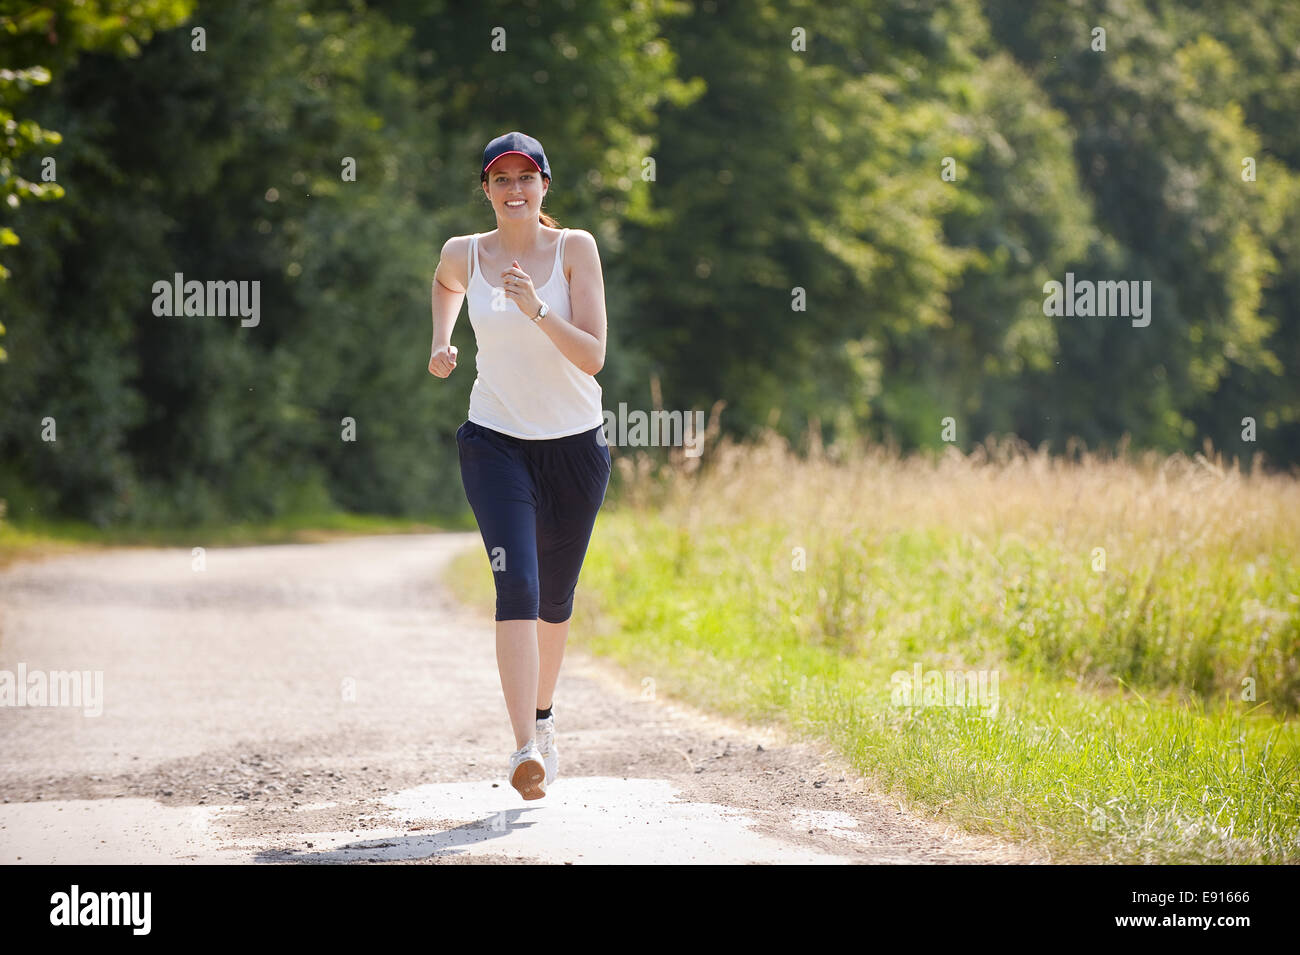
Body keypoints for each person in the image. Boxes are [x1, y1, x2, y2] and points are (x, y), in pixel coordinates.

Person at [427, 131, 611, 801]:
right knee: (519, 586)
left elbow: (592, 356)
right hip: (494, 441)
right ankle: (524, 750)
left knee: (555, 603)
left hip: (574, 447)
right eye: (500, 180)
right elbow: (446, 284)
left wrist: (534, 308)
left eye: (525, 178)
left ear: (544, 187)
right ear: (485, 190)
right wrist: (442, 339)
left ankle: (543, 717)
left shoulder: (574, 250)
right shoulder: (464, 253)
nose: (513, 190)